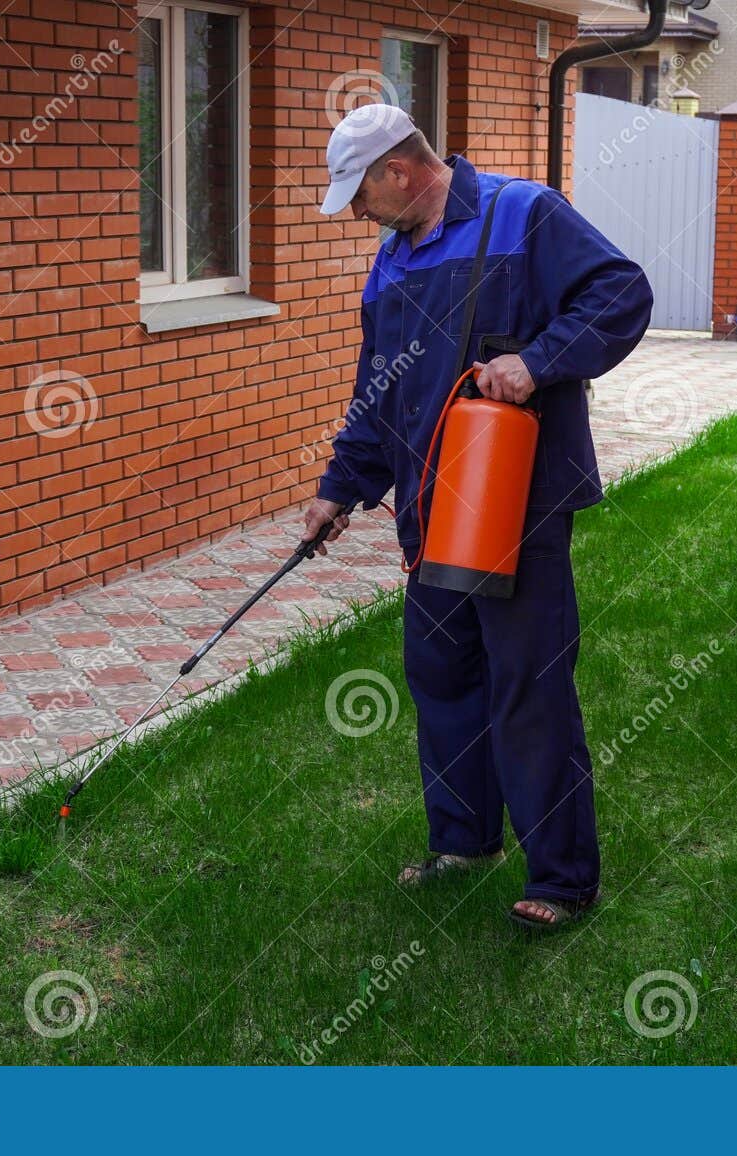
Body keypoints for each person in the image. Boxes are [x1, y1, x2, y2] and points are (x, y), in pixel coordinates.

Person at [304, 103, 652, 929]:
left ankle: (562, 878)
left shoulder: (523, 214)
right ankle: (466, 841)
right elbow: (377, 392)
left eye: (360, 193)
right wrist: (339, 487)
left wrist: (537, 361)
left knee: (527, 683)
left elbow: (621, 292)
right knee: (442, 676)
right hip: (430, 513)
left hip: (515, 501)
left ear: (399, 169)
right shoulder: (389, 263)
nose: (356, 212)